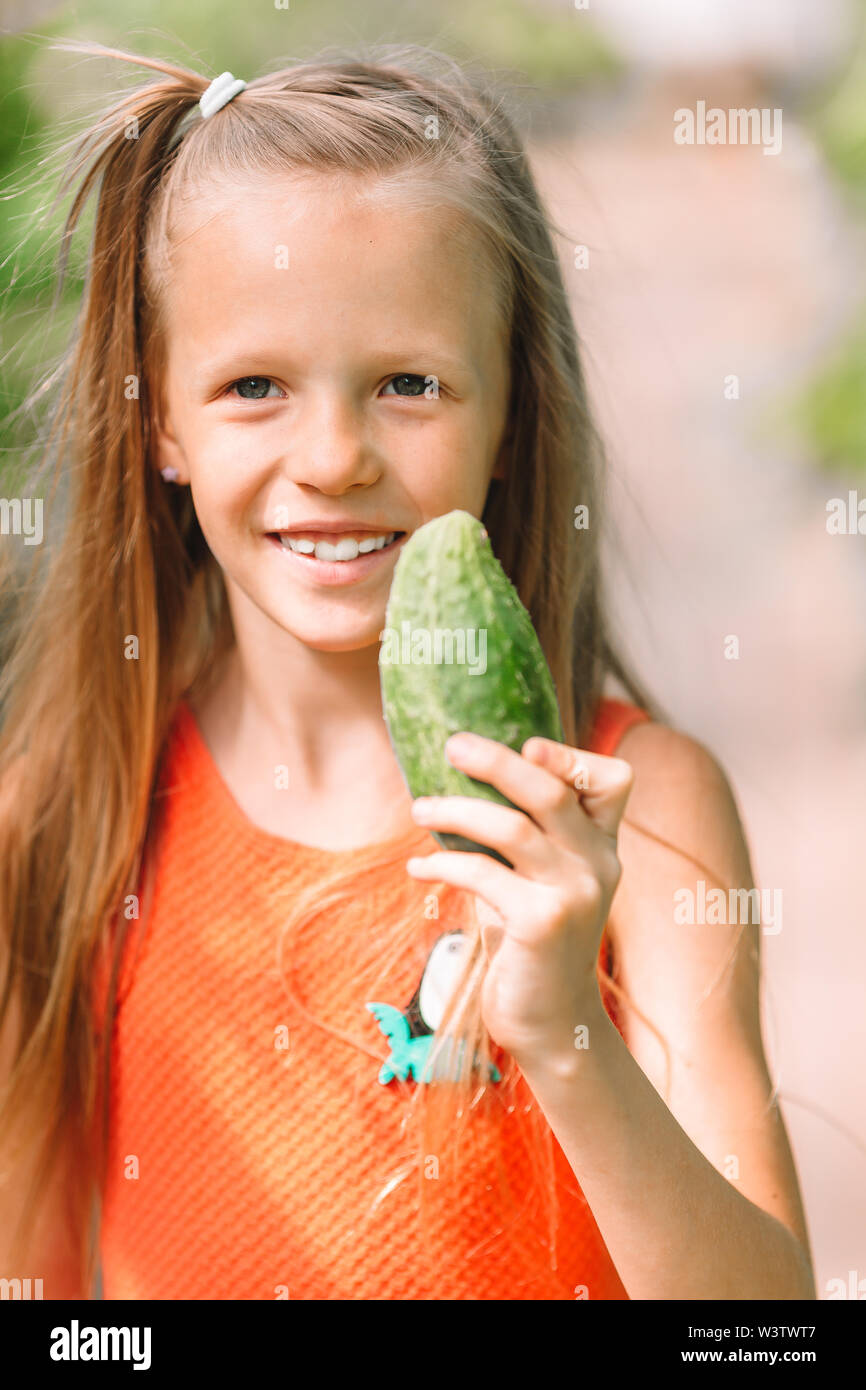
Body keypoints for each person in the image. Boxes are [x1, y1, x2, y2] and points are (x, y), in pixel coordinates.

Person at [0, 38, 815, 1300]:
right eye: (254, 385)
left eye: (408, 384)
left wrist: (566, 1038)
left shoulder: (633, 811)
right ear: (160, 418)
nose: (331, 457)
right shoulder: (64, 816)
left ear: (509, 416)